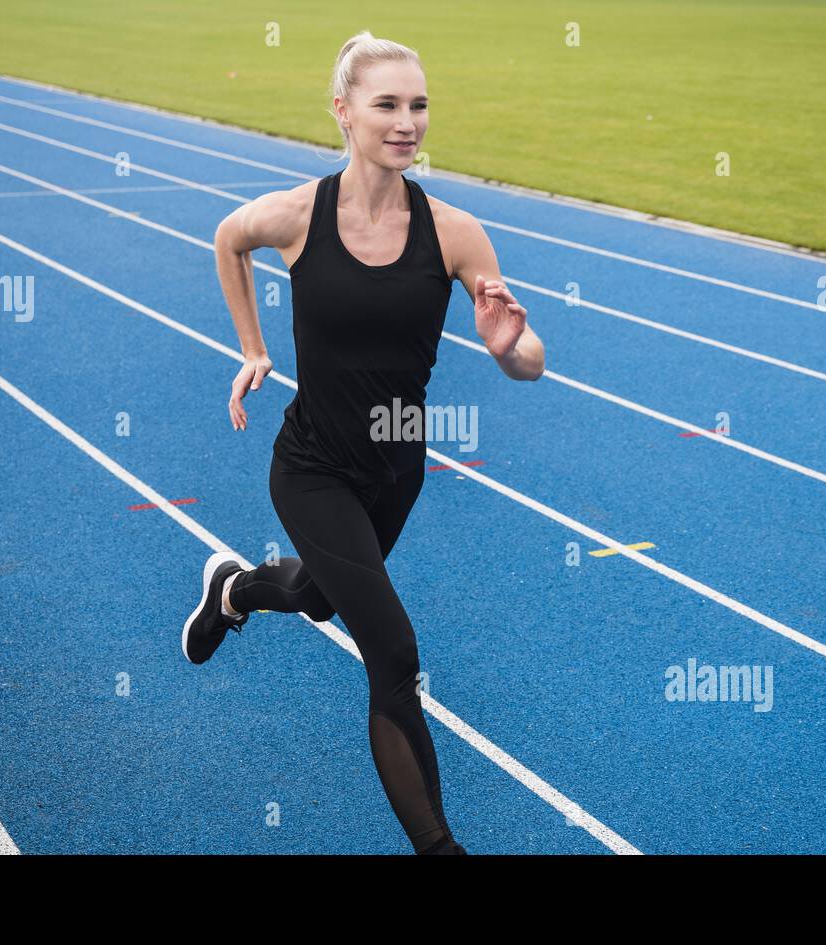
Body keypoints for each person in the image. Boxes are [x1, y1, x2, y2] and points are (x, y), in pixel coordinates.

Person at [181, 30, 545, 855]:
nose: (407, 121)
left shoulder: (454, 233)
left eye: (418, 105)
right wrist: (252, 347)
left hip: (397, 468)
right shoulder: (296, 216)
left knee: (314, 596)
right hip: (311, 465)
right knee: (392, 649)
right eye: (387, 105)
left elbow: (531, 359)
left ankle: (234, 592)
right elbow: (227, 239)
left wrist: (505, 348)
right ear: (343, 112)